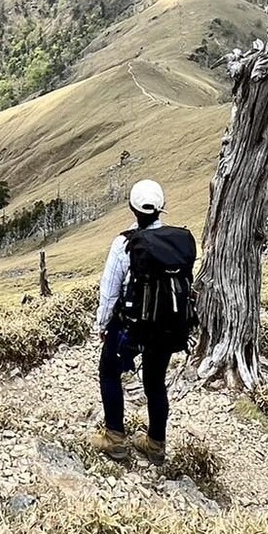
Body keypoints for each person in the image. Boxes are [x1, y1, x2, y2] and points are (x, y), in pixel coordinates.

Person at [91, 178, 197, 463]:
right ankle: (156, 443)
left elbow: (109, 290)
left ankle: (115, 438)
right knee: (155, 382)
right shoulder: (180, 242)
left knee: (109, 373)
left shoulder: (125, 243)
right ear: (162, 208)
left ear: (132, 208)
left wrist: (102, 326)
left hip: (130, 326)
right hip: (166, 326)